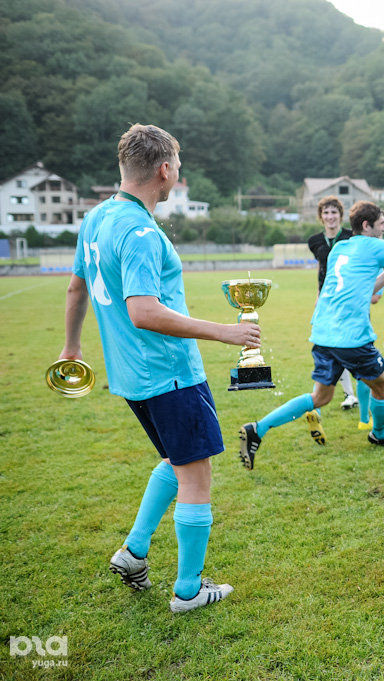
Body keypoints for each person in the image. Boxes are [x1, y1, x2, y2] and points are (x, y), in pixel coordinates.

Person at [60, 124, 257, 612]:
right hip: (169, 374)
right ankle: (189, 590)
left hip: (133, 377)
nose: (178, 176)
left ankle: (134, 551)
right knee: (196, 475)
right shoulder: (142, 231)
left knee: (176, 460)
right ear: (165, 170)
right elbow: (143, 311)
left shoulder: (97, 218)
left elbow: (76, 287)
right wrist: (225, 331)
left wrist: (70, 347)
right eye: (179, 168)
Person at [239, 200, 384, 468]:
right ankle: (380, 434)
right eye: (382, 224)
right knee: (383, 386)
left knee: (321, 398)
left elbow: (369, 289)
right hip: (351, 337)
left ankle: (259, 428)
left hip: (324, 332)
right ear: (367, 225)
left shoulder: (341, 248)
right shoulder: (376, 245)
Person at [306, 196, 358, 425]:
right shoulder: (314, 240)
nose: (330, 217)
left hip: (347, 299)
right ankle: (348, 394)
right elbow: (321, 269)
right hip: (326, 301)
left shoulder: (350, 237)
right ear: (321, 216)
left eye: (334, 212)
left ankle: (350, 394)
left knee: (345, 345)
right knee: (330, 345)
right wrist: (317, 299)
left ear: (340, 215)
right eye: (326, 213)